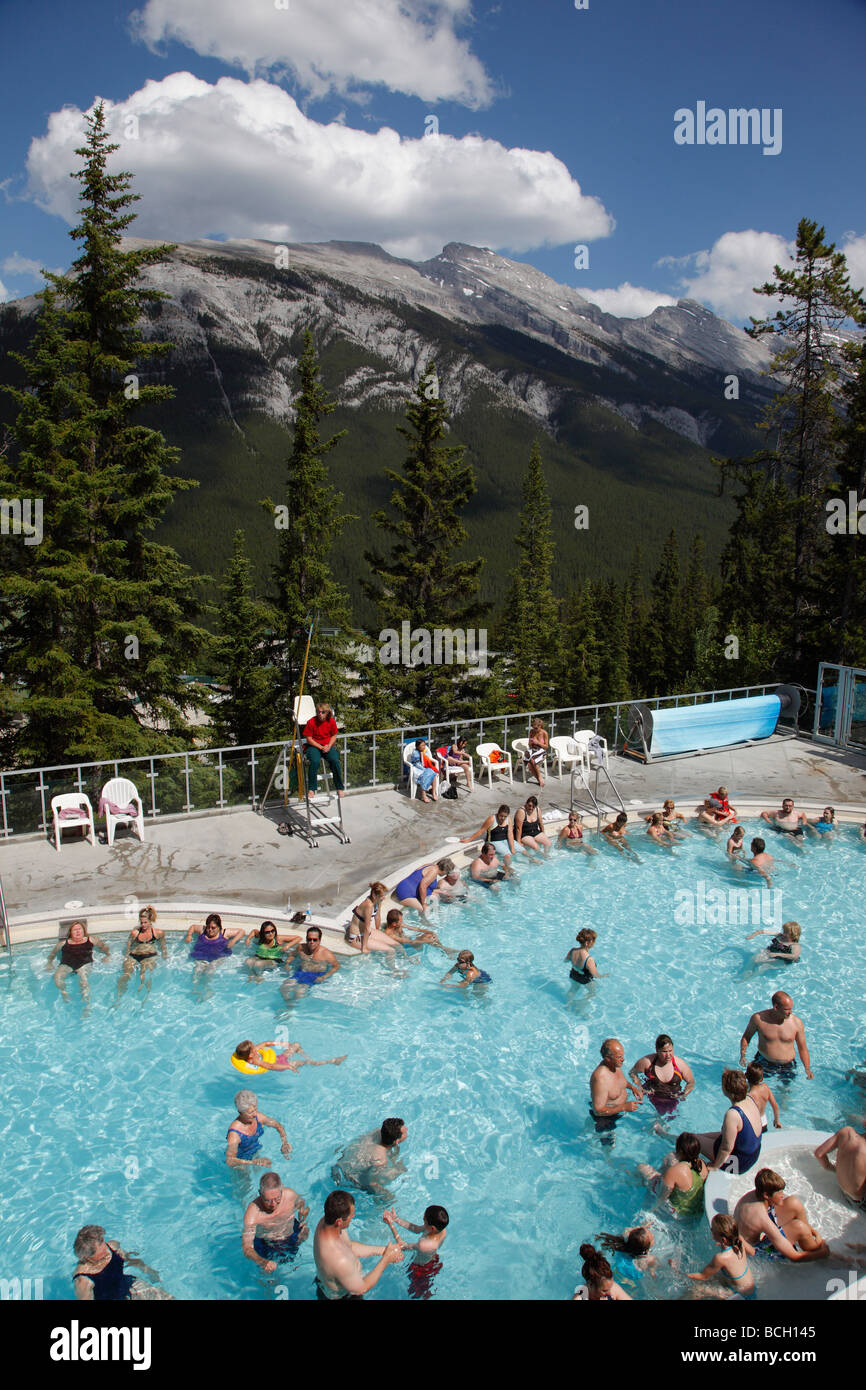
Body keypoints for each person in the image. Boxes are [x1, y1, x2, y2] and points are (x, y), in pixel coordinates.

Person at [313, 1190, 404, 1299]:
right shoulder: (338, 1259)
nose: (353, 1216)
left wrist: (383, 1250)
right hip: (344, 1296)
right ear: (339, 1222)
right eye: (351, 1216)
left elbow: (349, 1246)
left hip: (336, 1281)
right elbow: (361, 1288)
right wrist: (386, 1259)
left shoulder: (326, 1223)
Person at [733, 1169, 830, 1262]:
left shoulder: (756, 1194)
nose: (782, 1195)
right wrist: (822, 1254)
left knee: (794, 1203)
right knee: (799, 1227)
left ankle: (810, 1241)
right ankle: (820, 1254)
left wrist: (815, 1232)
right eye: (779, 1192)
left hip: (757, 1230)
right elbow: (794, 1257)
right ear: (766, 1195)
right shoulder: (761, 1218)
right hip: (757, 1251)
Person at [73, 1226, 171, 1300]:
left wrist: (150, 1272)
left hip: (130, 1286)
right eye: (102, 1252)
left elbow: (133, 1261)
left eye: (103, 1242)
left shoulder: (112, 1247)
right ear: (87, 1258)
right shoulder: (83, 1280)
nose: (106, 1250)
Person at [694, 1070, 763, 1174]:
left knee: (690, 1139)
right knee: (699, 1136)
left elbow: (726, 1148)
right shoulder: (750, 1098)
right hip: (752, 1155)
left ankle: (665, 1135)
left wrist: (715, 1166)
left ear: (726, 1090)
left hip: (739, 1163)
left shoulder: (733, 1114)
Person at [242, 1171, 310, 1272]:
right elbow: (247, 1248)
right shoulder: (253, 1214)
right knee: (269, 1276)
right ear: (260, 1194)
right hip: (267, 1244)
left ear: (281, 1190)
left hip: (291, 1234)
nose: (273, 1204)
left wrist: (303, 1223)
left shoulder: (290, 1196)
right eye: (268, 1200)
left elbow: (303, 1206)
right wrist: (262, 1262)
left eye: (277, 1199)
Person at [739, 991, 813, 1081]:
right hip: (763, 1061)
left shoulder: (796, 1023)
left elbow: (802, 1048)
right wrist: (743, 1055)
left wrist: (807, 1069)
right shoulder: (758, 1019)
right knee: (753, 1086)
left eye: (791, 1009)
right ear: (776, 1007)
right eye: (787, 1009)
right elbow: (746, 1037)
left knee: (785, 1092)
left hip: (787, 1065)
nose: (790, 1012)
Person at [384, 1204, 449, 1299]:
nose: (423, 1220)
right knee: (425, 1289)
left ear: (432, 1228)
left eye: (424, 1220)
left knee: (415, 1293)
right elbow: (416, 1229)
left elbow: (402, 1246)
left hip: (421, 1269)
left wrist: (391, 1224)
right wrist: (396, 1219)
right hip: (433, 1259)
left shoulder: (424, 1245)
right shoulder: (442, 1230)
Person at [332, 1118, 409, 1196]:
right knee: (400, 1170)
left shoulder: (377, 1132)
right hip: (348, 1178)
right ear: (396, 1141)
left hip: (340, 1162)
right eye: (405, 1132)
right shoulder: (380, 1160)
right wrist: (387, 1195)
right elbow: (372, 1184)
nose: (407, 1129)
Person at [638, 1132, 708, 1216]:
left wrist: (651, 1210)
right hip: (692, 1210)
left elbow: (662, 1198)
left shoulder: (674, 1172)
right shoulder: (702, 1165)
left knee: (642, 1167)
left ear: (680, 1151)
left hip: (677, 1212)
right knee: (670, 1158)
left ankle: (637, 1182)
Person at [686, 1215, 756, 1299]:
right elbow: (752, 1252)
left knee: (697, 1289)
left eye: (713, 1230)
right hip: (751, 1288)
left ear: (724, 1240)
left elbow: (703, 1276)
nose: (711, 1230)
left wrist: (680, 1274)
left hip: (740, 1296)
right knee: (716, 1277)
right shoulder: (739, 1240)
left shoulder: (721, 1258)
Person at [589, 1039, 643, 1143]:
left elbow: (620, 1081)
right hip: (606, 1119)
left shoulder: (615, 1065)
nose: (623, 1059)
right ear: (608, 1059)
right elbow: (598, 1110)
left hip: (619, 1111)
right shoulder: (601, 1078)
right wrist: (624, 1107)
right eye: (619, 1057)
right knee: (608, 1149)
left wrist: (633, 1088)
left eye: (622, 1055)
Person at [47, 921, 110, 1006]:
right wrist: (49, 963)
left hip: (84, 964)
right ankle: (64, 994)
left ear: (84, 931)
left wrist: (107, 955)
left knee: (83, 980)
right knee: (57, 977)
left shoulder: (91, 939)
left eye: (79, 929)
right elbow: (52, 954)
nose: (77, 931)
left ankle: (86, 1003)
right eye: (75, 930)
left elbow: (104, 947)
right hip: (67, 964)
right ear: (71, 933)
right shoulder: (62, 943)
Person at [629, 1035, 695, 1117]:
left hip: (671, 1099)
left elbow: (691, 1082)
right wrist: (640, 1087)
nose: (668, 1055)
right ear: (657, 1050)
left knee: (666, 1120)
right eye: (664, 1052)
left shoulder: (680, 1065)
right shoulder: (647, 1062)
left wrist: (683, 1094)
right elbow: (632, 1073)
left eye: (670, 1051)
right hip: (651, 1098)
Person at [226, 1089, 293, 1168]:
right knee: (245, 1180)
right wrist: (254, 1162)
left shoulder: (258, 1117)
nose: (255, 1114)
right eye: (250, 1112)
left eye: (255, 1109)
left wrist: (284, 1142)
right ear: (240, 1112)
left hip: (255, 1151)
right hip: (241, 1160)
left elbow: (277, 1125)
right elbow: (230, 1160)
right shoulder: (234, 1134)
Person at [281, 925, 340, 1001]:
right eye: (309, 939)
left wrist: (323, 977)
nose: (311, 942)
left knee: (299, 992)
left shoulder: (326, 954)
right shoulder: (301, 948)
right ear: (306, 939)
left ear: (319, 940)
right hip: (300, 972)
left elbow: (337, 966)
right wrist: (287, 963)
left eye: (315, 940)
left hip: (315, 975)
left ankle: (291, 1008)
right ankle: (287, 1003)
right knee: (284, 987)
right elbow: (293, 954)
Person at [117, 906, 166, 996]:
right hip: (134, 955)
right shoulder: (135, 933)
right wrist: (126, 956)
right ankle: (119, 996)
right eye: (141, 922)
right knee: (125, 975)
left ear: (150, 921)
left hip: (149, 956)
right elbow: (128, 945)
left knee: (144, 975)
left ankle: (144, 996)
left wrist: (164, 955)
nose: (143, 925)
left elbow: (163, 945)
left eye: (145, 922)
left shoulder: (158, 933)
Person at [302, 701, 345, 798]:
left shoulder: (331, 721)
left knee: (335, 761)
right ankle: (312, 789)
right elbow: (309, 738)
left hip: (327, 745)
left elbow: (334, 735)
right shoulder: (311, 722)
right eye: (318, 712)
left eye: (322, 712)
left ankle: (339, 787)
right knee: (315, 761)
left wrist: (329, 746)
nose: (319, 714)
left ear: (327, 712)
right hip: (314, 746)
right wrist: (320, 747)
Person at [814, 1125, 866, 1204]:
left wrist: (831, 1167)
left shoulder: (846, 1132)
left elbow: (819, 1154)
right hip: (858, 1201)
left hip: (842, 1188)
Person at [232, 1039, 347, 1072]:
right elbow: (270, 1066)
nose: (255, 1046)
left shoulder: (253, 1052)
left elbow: (266, 1043)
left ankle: (306, 1056)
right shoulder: (255, 1061)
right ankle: (332, 1061)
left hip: (278, 1058)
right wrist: (288, 1067)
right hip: (281, 1064)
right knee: (307, 1063)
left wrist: (282, 1044)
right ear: (251, 1054)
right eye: (253, 1047)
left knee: (296, 1044)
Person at [394, 859, 461, 915]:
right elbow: (422, 886)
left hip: (406, 887)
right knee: (424, 910)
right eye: (446, 873)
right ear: (444, 870)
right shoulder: (434, 872)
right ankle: (425, 925)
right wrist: (424, 903)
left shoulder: (431, 865)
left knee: (436, 896)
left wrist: (441, 892)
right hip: (405, 893)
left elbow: (420, 881)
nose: (445, 875)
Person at [381, 907, 454, 957]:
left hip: (411, 942)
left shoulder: (398, 925)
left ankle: (445, 950)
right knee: (428, 938)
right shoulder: (389, 934)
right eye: (401, 920)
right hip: (407, 949)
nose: (402, 921)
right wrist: (424, 941)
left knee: (429, 935)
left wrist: (429, 931)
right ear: (394, 924)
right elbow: (408, 941)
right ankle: (446, 950)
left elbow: (416, 929)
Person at [345, 882, 388, 952]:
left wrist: (378, 931)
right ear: (374, 895)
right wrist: (364, 947)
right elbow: (367, 927)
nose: (384, 898)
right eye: (382, 896)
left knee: (395, 944)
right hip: (356, 937)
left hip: (366, 933)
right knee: (390, 950)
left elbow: (377, 917)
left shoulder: (378, 901)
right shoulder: (368, 905)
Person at [745, 1062, 781, 1132]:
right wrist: (777, 1121)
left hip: (752, 1125)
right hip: (763, 1123)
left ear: (746, 1075)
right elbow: (775, 1106)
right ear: (762, 1079)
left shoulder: (748, 1094)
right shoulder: (765, 1087)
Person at [407, 738, 440, 803]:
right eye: (422, 745)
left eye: (424, 745)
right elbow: (416, 763)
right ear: (417, 746)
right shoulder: (415, 752)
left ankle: (433, 793)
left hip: (424, 767)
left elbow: (427, 760)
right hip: (417, 768)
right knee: (425, 774)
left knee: (433, 774)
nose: (424, 747)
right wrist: (424, 769)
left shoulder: (425, 751)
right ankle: (423, 794)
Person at [522, 718, 549, 788]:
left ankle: (539, 778)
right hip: (533, 750)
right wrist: (530, 743)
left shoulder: (544, 733)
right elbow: (529, 745)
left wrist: (538, 743)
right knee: (530, 762)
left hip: (541, 750)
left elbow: (546, 747)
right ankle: (539, 779)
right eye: (533, 727)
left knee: (532, 760)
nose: (534, 729)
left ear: (540, 726)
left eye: (536, 728)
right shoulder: (531, 732)